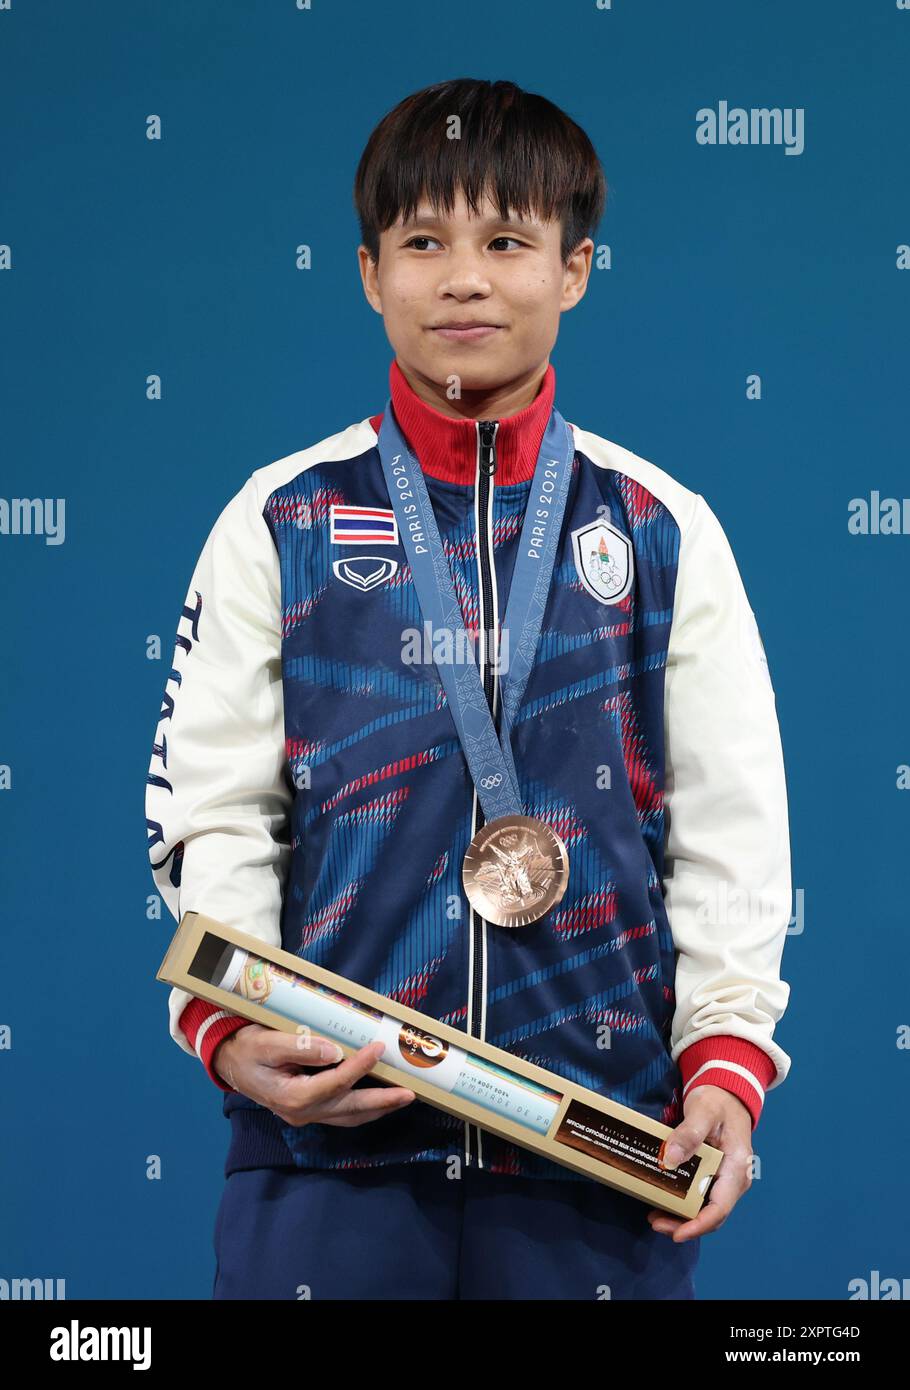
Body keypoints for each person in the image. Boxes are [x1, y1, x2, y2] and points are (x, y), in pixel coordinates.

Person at [145, 77, 793, 1300]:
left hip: (598, 1161)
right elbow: (212, 811)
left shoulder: (661, 529)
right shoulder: (281, 518)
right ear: (367, 272)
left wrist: (722, 1059)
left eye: (506, 242)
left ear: (575, 269)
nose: (463, 279)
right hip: (326, 1154)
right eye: (423, 243)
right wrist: (235, 1037)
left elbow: (731, 832)